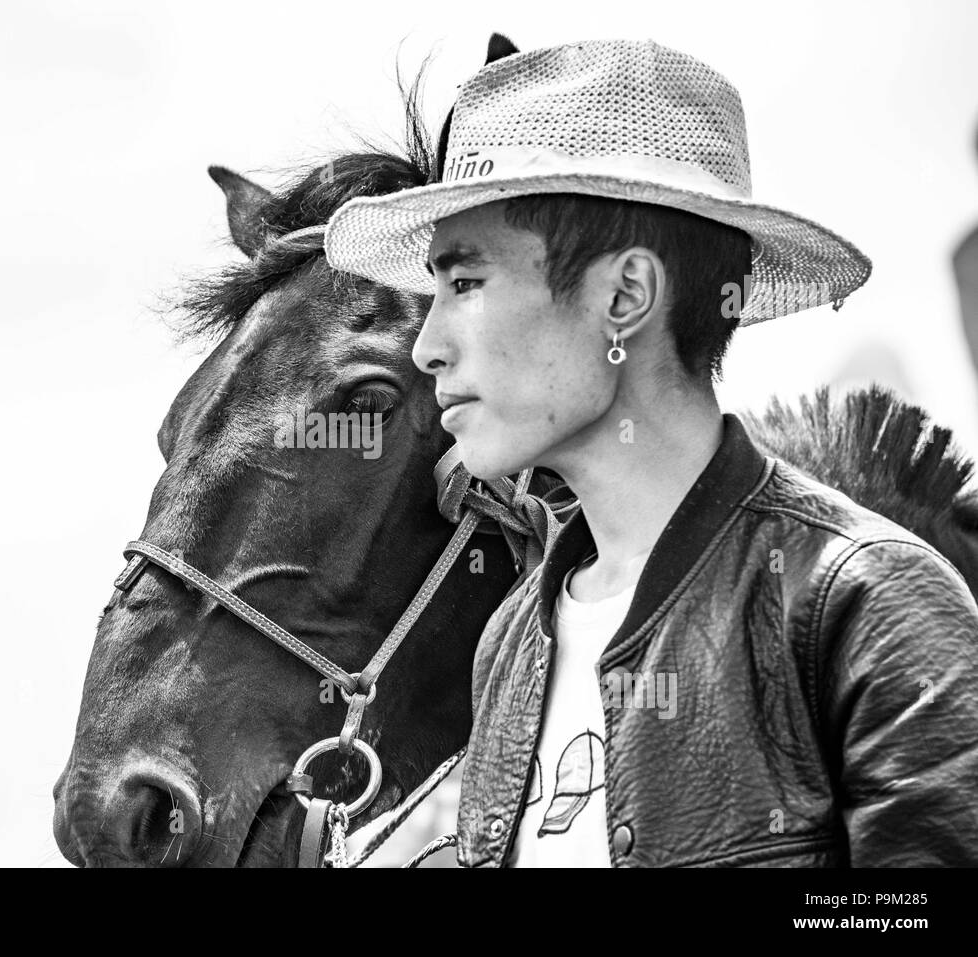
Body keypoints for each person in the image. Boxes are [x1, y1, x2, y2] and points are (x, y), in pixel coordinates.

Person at [323, 38, 978, 867]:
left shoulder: (866, 603)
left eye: (466, 284)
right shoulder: (511, 645)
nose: (426, 348)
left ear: (626, 296)